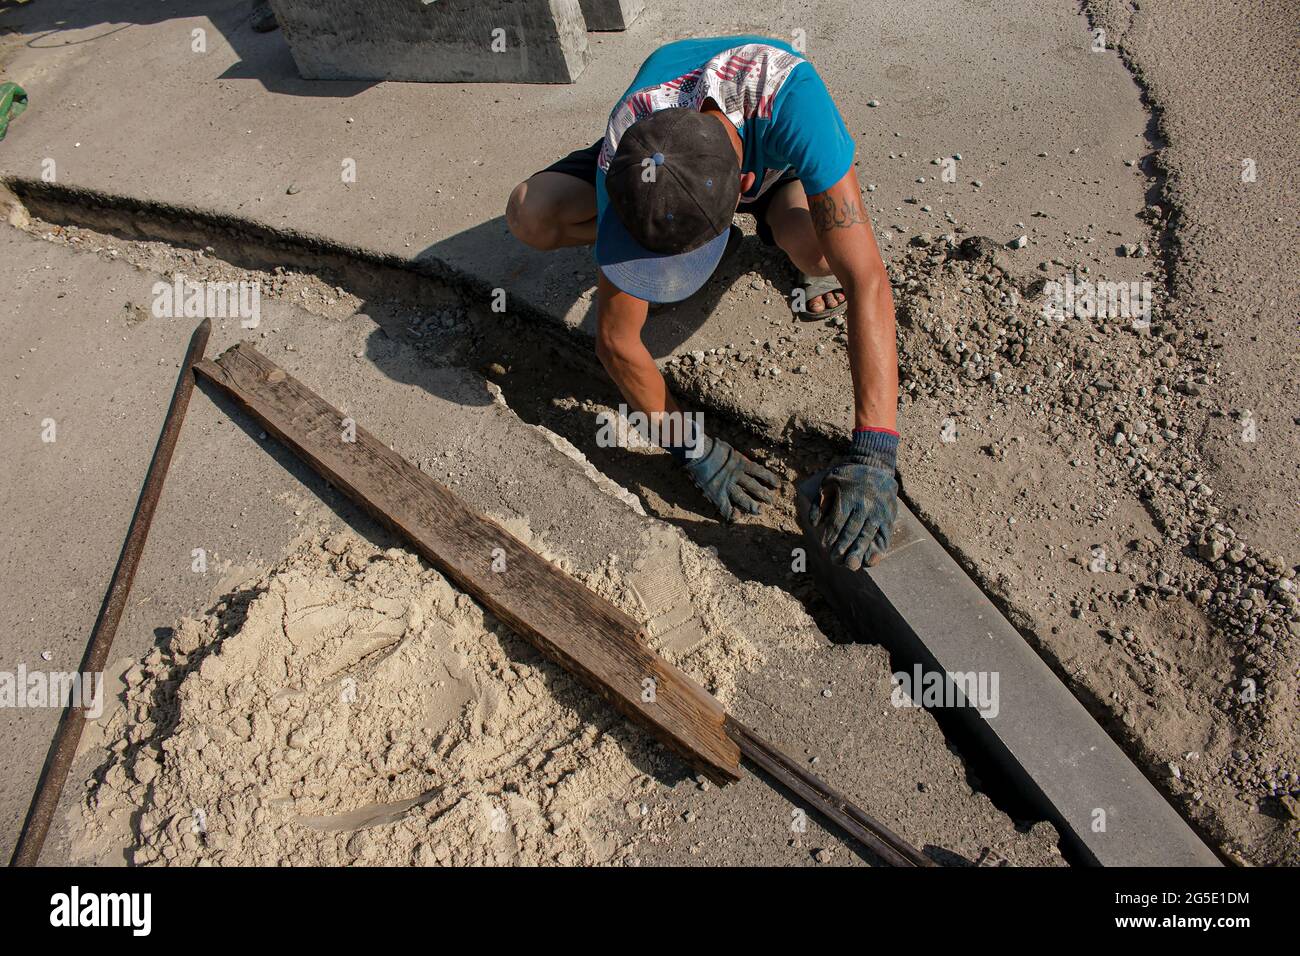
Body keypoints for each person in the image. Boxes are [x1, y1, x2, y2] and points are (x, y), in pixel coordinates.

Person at [506, 36, 899, 570]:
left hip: (774, 168)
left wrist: (875, 448)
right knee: (530, 214)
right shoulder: (630, 149)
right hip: (666, 159)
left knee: (820, 252)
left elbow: (868, 282)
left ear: (738, 187)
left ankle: (777, 222)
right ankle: (689, 233)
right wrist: (693, 446)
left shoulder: (795, 101)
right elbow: (616, 342)